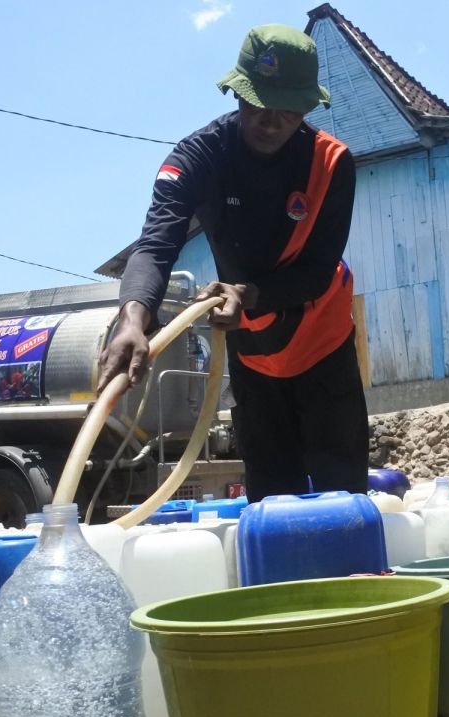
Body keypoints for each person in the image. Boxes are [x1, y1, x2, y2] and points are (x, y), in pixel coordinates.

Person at [98, 24, 368, 503]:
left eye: (286, 109)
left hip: (321, 345)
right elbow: (156, 244)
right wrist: (132, 318)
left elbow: (318, 271)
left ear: (307, 106)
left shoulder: (331, 163)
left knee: (342, 502)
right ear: (236, 92)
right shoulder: (199, 157)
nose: (270, 120)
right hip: (253, 354)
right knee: (271, 504)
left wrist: (251, 294)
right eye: (257, 103)